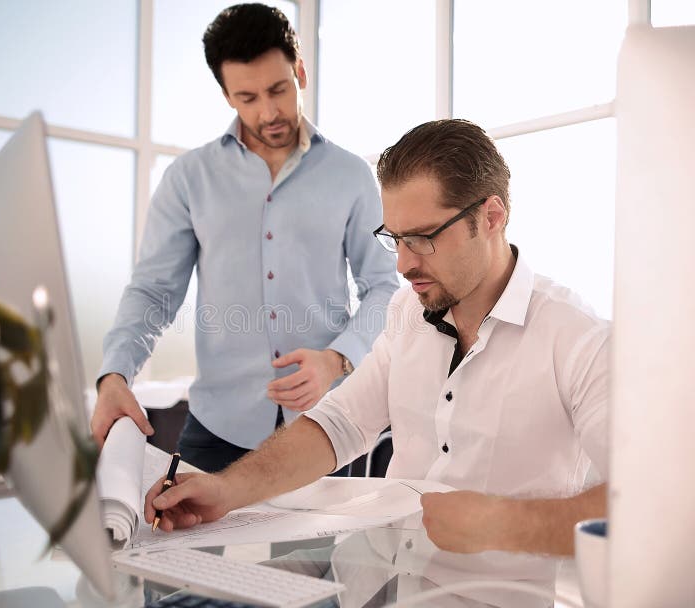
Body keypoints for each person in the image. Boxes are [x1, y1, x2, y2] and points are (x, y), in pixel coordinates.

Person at [143, 118, 609, 556]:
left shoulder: (577, 339)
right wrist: (226, 490)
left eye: (424, 238)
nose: (403, 265)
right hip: (372, 582)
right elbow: (340, 424)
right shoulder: (408, 309)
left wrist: (505, 524)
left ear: (490, 217)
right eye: (396, 238)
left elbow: (653, 500)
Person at [91, 3, 398, 474]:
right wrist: (115, 374)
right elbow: (155, 290)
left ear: (300, 72)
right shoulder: (189, 178)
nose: (269, 111)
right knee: (178, 545)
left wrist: (338, 360)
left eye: (278, 89)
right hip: (218, 428)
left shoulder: (352, 176)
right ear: (226, 95)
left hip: (327, 424)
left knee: (325, 552)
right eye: (247, 97)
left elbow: (383, 286)